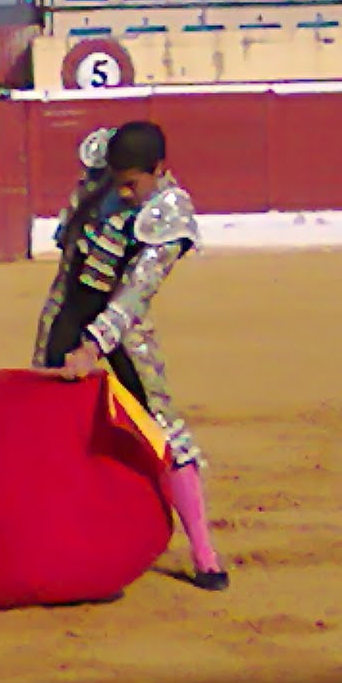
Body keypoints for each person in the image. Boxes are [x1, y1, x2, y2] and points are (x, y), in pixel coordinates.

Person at [33, 119, 229, 592]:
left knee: (163, 430)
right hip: (67, 311)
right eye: (117, 181)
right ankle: (55, 543)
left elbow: (134, 295)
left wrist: (91, 346)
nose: (122, 192)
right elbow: (70, 255)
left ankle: (204, 554)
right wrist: (64, 334)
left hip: (123, 328)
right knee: (51, 431)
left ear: (159, 170)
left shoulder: (169, 215)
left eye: (132, 185)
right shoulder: (102, 172)